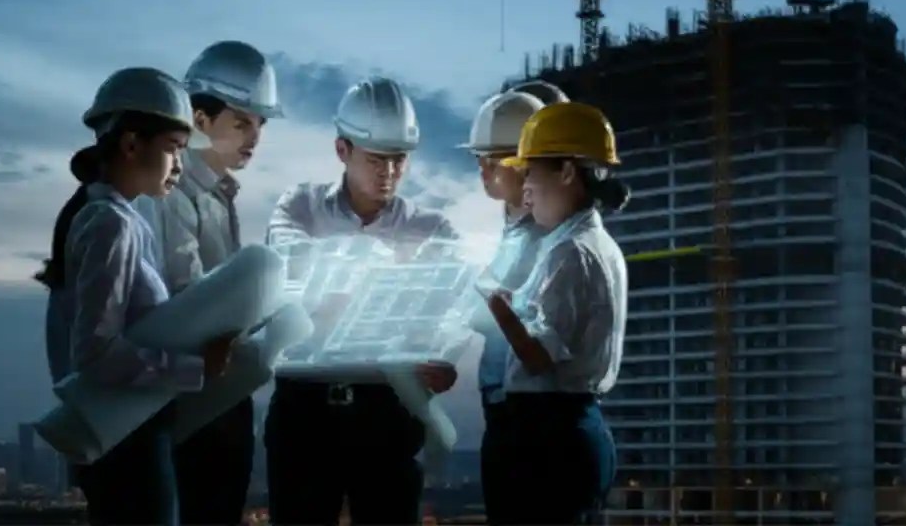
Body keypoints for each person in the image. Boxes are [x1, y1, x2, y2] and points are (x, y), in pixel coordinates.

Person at [37, 67, 238, 526]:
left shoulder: (115, 218)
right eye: (173, 148)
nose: (180, 165)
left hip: (130, 436)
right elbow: (95, 353)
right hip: (128, 445)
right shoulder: (109, 224)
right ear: (131, 144)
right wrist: (194, 368)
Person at [263, 75, 460, 526]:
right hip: (304, 414)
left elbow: (452, 305)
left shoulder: (433, 229)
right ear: (342, 149)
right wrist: (386, 274)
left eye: (398, 159)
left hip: (387, 414)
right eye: (376, 159)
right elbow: (293, 266)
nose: (388, 172)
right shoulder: (300, 207)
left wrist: (446, 354)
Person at [133, 40, 282, 526]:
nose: (254, 136)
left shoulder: (218, 194)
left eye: (260, 124)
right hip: (190, 397)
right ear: (199, 119)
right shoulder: (173, 193)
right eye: (242, 122)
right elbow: (186, 300)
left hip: (220, 393)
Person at [484, 101, 630, 525]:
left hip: (550, 441)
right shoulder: (593, 245)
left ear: (567, 172)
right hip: (570, 430)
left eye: (531, 172)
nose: (525, 187)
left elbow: (538, 357)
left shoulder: (570, 252)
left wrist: (497, 306)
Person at [456, 84, 565, 524]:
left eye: (492, 159)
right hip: (502, 403)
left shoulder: (549, 233)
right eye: (478, 158)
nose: (482, 169)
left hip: (530, 411)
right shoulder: (514, 224)